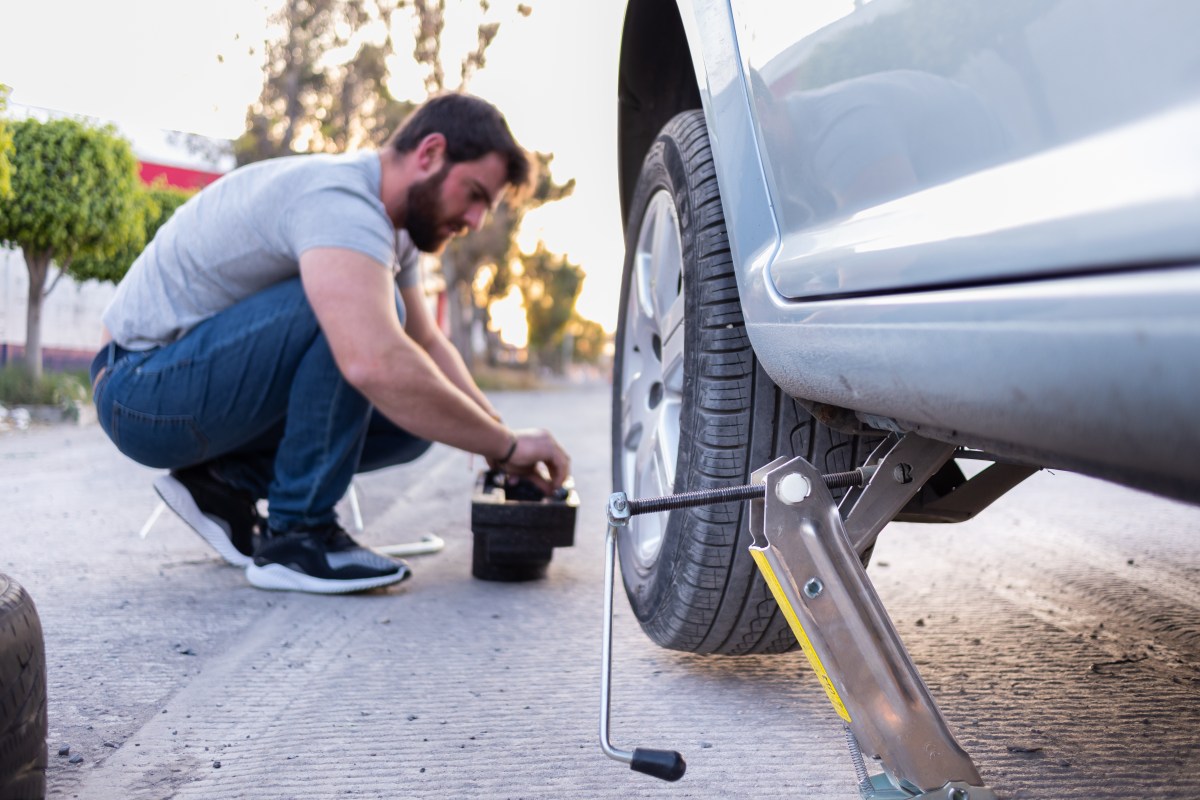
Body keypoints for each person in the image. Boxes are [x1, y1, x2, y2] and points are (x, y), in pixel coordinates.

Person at [89, 93, 571, 595]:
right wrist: (507, 446)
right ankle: (298, 536)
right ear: (429, 153)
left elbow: (426, 343)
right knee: (366, 329)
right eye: (473, 194)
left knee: (419, 419)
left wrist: (496, 437)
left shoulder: (394, 229)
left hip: (178, 387)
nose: (474, 220)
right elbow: (373, 359)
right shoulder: (342, 202)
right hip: (137, 388)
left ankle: (225, 485)